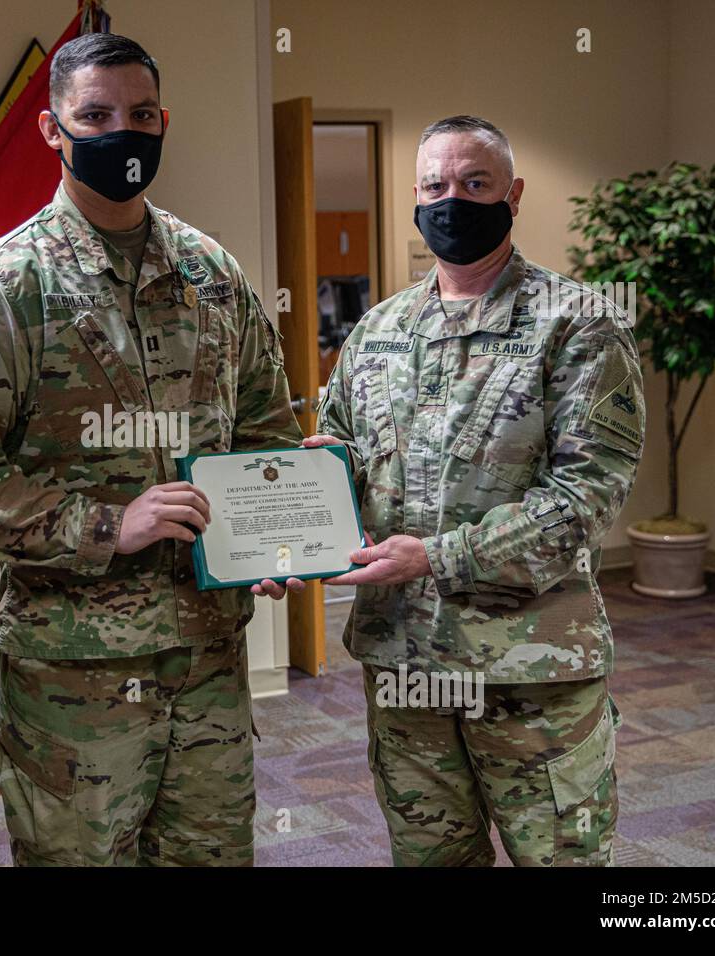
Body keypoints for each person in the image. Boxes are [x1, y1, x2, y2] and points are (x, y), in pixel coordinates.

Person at [0, 33, 301, 866]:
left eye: (140, 115)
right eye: (95, 116)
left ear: (164, 123)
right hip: (73, 675)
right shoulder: (8, 284)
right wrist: (104, 527)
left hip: (206, 663)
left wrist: (271, 533)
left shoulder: (211, 272)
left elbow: (267, 424)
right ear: (52, 130)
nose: (120, 133)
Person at [256, 115, 644, 866]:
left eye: (475, 183)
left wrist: (435, 557)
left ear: (513, 194)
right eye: (435, 185)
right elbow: (338, 461)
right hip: (406, 666)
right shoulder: (379, 331)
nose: (452, 200)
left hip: (529, 670)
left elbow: (582, 501)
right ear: (414, 195)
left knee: (560, 856)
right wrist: (288, 528)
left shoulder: (581, 327)